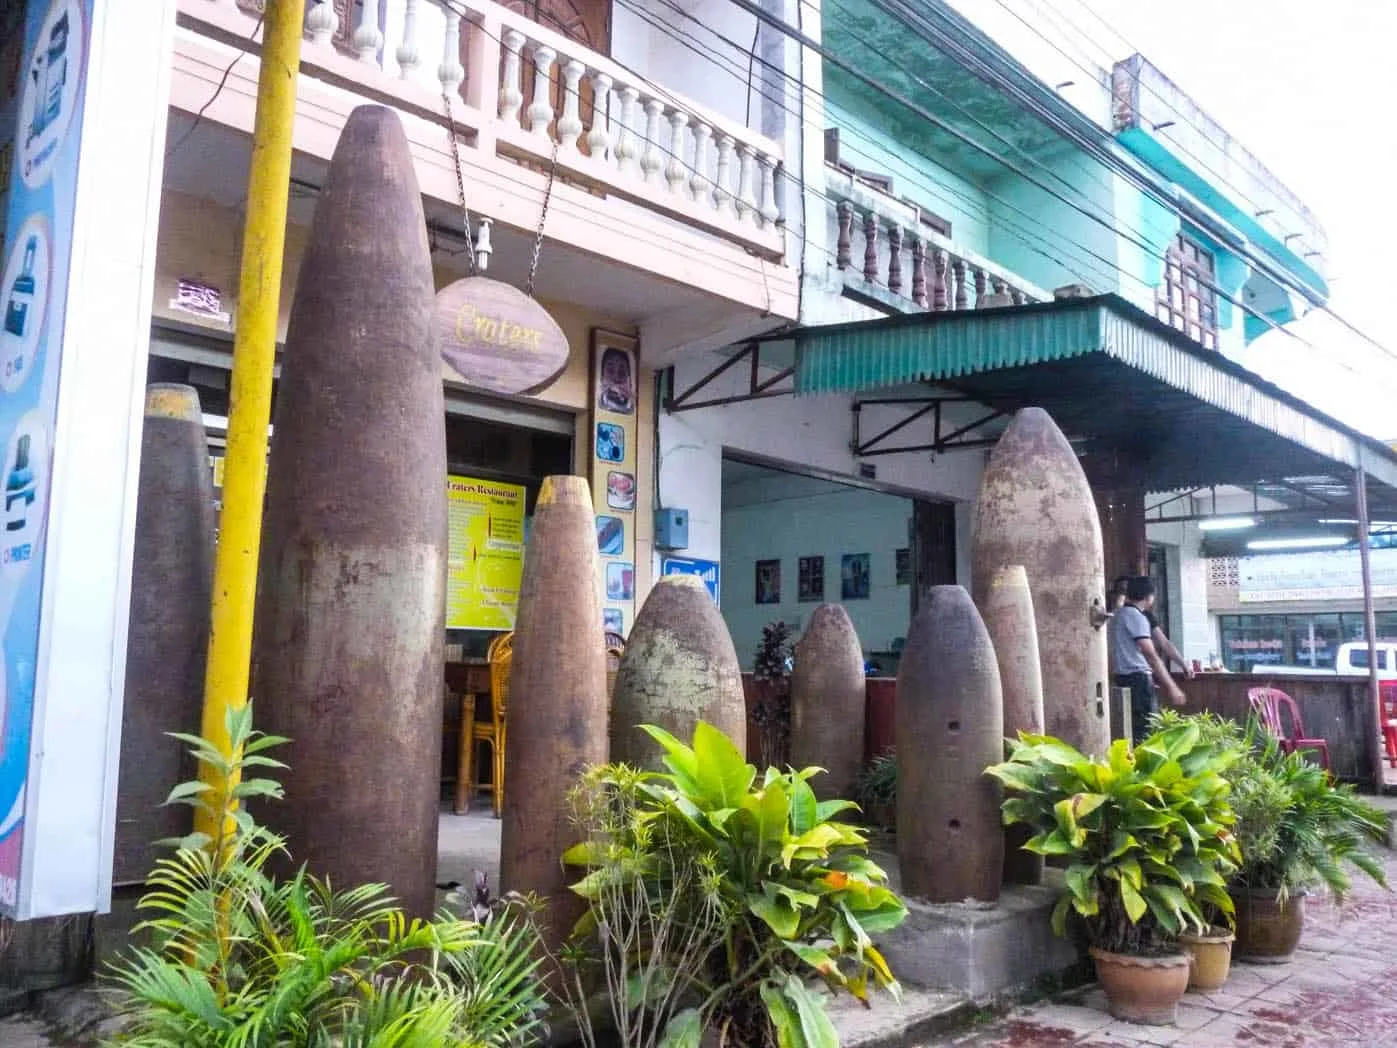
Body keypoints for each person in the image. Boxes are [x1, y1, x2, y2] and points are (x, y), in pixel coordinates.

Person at [1110, 575, 1186, 744]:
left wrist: (1182, 665)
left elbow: (1165, 644)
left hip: (1123, 676)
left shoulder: (1118, 614)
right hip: (1137, 677)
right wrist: (1172, 687)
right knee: (1145, 731)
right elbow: (1152, 656)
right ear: (1149, 597)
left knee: (1131, 729)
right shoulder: (1136, 617)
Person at [1109, 575, 1194, 680]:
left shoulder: (1144, 615)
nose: (1124, 595)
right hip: (1118, 671)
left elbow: (1164, 643)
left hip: (1138, 671)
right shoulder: (1115, 615)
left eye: (1126, 591)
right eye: (1121, 592)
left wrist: (1183, 664)